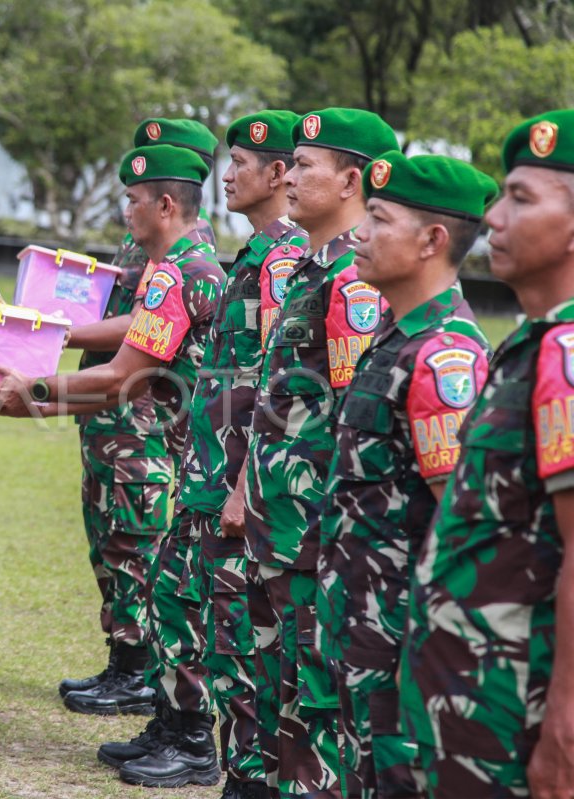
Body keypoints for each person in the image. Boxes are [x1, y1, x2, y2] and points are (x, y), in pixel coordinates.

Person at [0, 144, 225, 788]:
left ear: (165, 205)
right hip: (180, 456)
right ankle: (170, 726)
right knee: (164, 590)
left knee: (174, 594)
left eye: (133, 199)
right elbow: (128, 380)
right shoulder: (177, 268)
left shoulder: (181, 273)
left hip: (181, 457)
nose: (126, 209)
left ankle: (189, 739)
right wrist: (41, 396)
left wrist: (35, 390)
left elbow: (121, 378)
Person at [108, 110, 304, 799]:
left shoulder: (283, 262)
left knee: (234, 629)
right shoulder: (252, 256)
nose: (227, 175)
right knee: (179, 597)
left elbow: (280, 382)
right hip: (208, 469)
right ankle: (181, 729)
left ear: (277, 174)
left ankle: (211, 753)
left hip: (238, 480)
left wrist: (244, 485)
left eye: (241, 164)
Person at [401, 109, 574, 799]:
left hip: (514, 709)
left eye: (522, 199)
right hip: (472, 700)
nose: (494, 218)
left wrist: (564, 727)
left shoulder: (565, 354)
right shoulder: (532, 344)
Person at [317, 152, 496, 799]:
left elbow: (458, 522)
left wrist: (427, 652)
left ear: (431, 240)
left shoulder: (444, 355)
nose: (359, 233)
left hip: (400, 642)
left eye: (380, 219)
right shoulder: (396, 337)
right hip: (362, 628)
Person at [238, 108, 398, 799]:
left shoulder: (352, 282)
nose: (290, 177)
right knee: (277, 699)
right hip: (278, 525)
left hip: (312, 535)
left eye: (305, 165)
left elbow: (349, 419)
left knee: (313, 714)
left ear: (352, 181)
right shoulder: (309, 269)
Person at [60, 118, 218, 717]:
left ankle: (138, 670)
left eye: (137, 195)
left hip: (143, 421)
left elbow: (140, 332)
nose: (129, 206)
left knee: (137, 544)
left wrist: (56, 339)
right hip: (113, 415)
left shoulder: (187, 260)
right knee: (110, 540)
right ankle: (124, 662)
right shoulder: (152, 246)